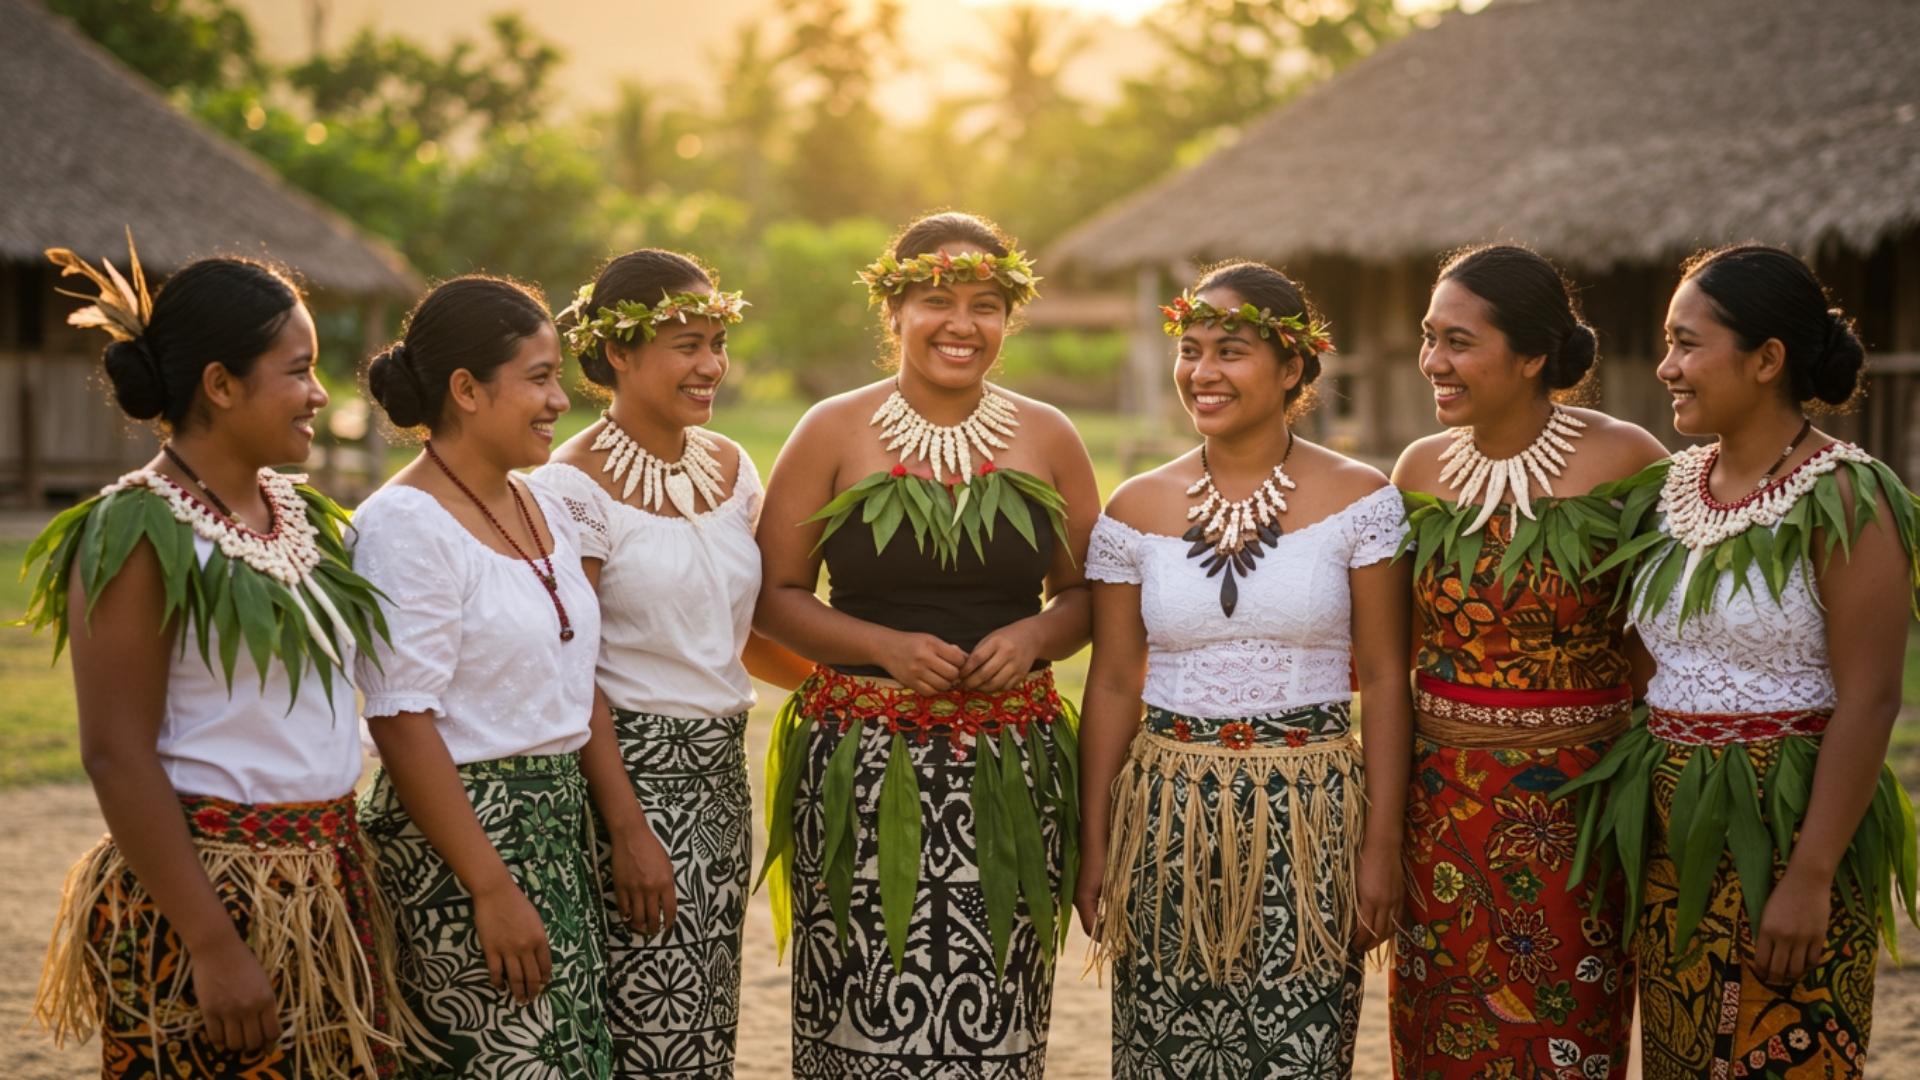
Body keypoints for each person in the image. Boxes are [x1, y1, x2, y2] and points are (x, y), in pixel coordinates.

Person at [26, 235, 418, 1077]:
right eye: (299, 369)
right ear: (220, 384)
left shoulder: (306, 520)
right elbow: (115, 753)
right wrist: (211, 943)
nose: (320, 394)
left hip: (326, 884)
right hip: (209, 900)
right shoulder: (137, 530)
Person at [1561, 245, 1920, 1079]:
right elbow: (1647, 655)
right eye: (1666, 342)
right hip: (1669, 824)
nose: (1666, 368)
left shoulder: (1846, 494)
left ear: (1767, 360)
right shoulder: (1670, 488)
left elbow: (1870, 701)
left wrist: (1810, 876)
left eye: (1688, 344)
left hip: (1787, 820)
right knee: (1685, 1054)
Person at [753, 211, 1098, 1078]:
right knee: (866, 1002)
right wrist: (882, 645)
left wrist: (1032, 636)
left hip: (1010, 770)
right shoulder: (832, 429)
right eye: (937, 299)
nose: (962, 323)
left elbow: (1092, 593)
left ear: (1009, 318)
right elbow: (773, 595)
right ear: (893, 309)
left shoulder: (1048, 435)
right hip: (863, 769)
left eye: (986, 304)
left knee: (996, 1007)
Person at [1074, 261, 1411, 1077]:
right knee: (1165, 1050)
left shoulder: (1361, 499)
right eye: (1190, 350)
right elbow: (1115, 680)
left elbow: (1387, 674)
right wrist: (1096, 844)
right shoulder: (1134, 508)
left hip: (1311, 813)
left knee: (1295, 1049)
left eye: (1231, 351)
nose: (1202, 373)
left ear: (1292, 367)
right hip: (1166, 813)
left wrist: (1381, 844)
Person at [1388, 244, 1668, 1078]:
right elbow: (1398, 654)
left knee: (1567, 1026)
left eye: (1459, 342)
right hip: (1441, 808)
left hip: (1579, 808)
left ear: (1534, 354)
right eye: (1429, 337)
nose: (1434, 362)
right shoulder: (1420, 470)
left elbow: (1659, 647)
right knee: (1442, 1028)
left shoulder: (1629, 461)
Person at [532, 249, 811, 1078]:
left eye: (717, 343)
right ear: (619, 352)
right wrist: (627, 830)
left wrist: (857, 685)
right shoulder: (567, 485)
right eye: (688, 345)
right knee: (639, 1029)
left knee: (700, 1028)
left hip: (720, 780)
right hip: (626, 782)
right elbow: (572, 673)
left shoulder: (731, 467)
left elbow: (744, 632)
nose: (711, 366)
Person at [353, 275, 619, 1078]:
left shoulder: (542, 504)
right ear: (466, 389)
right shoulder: (404, 526)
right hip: (463, 843)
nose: (559, 401)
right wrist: (490, 888)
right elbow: (402, 718)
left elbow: (574, 676)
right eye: (539, 378)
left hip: (554, 835)